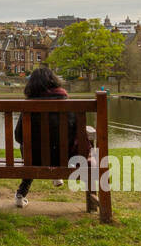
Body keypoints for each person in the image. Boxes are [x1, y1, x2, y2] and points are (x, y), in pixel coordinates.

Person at [13, 66, 90, 209]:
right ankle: (56, 173)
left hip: (34, 159)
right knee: (60, 144)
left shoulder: (28, 106)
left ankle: (20, 194)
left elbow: (18, 137)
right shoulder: (68, 103)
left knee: (29, 147)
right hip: (63, 158)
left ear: (32, 85)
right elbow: (76, 134)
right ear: (54, 81)